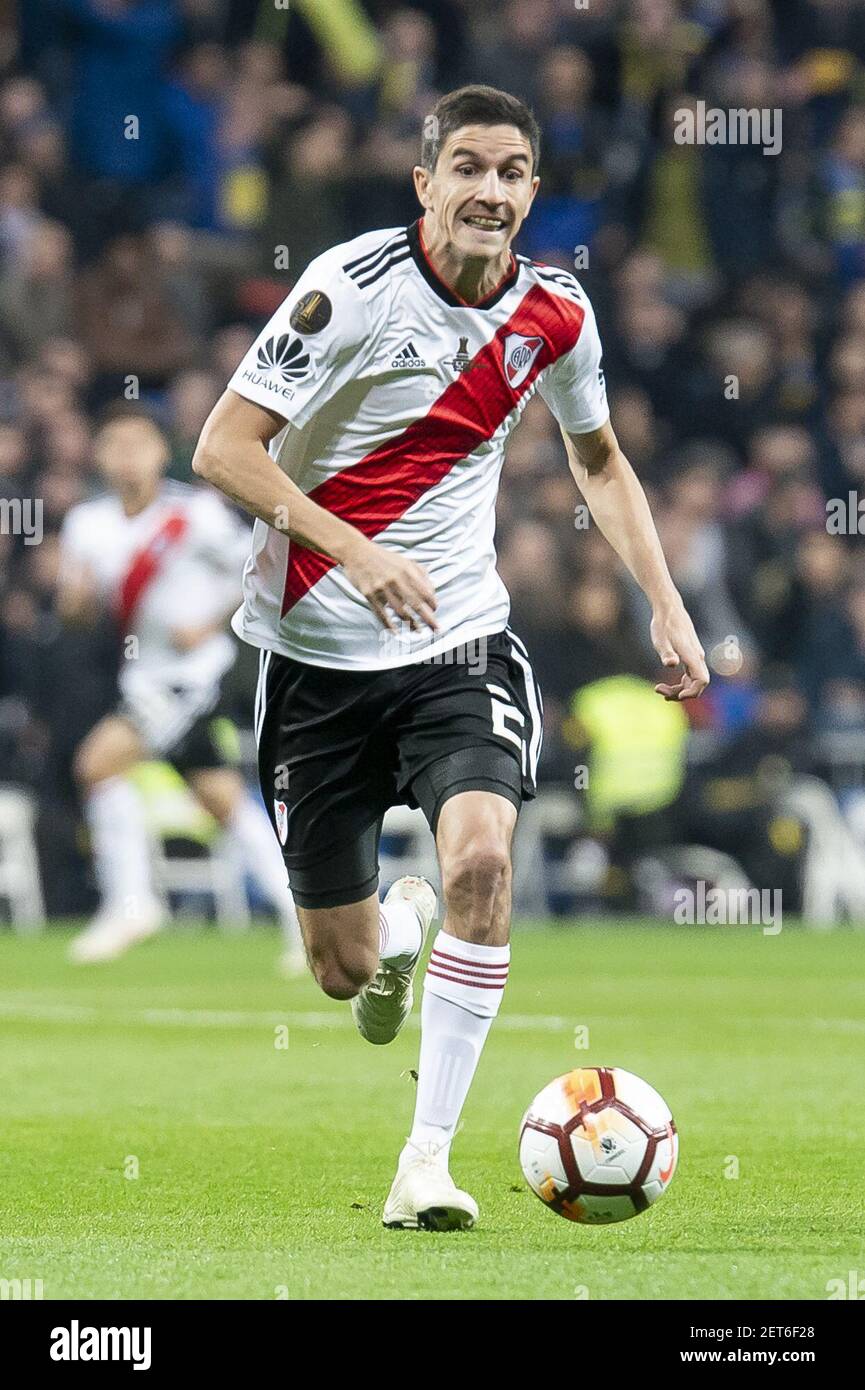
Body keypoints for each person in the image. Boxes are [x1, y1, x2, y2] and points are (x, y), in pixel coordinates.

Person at [192, 84, 708, 1231]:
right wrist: (350, 547)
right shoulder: (348, 289)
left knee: (484, 859)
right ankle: (398, 924)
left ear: (532, 190)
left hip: (458, 642)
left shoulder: (557, 314)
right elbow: (222, 449)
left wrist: (665, 605)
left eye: (512, 170)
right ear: (424, 182)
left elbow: (602, 461)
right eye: (466, 167)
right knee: (340, 967)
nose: (490, 190)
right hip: (313, 658)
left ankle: (425, 1158)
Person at [57, 406, 304, 971]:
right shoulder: (86, 524)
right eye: (114, 444)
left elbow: (259, 568)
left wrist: (209, 622)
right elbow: (78, 613)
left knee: (96, 766)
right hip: (139, 677)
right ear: (98, 457)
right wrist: (73, 603)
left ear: (159, 453)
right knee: (220, 799)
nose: (126, 456)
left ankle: (132, 904)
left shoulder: (193, 514)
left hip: (191, 679)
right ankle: (298, 911)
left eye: (136, 444)